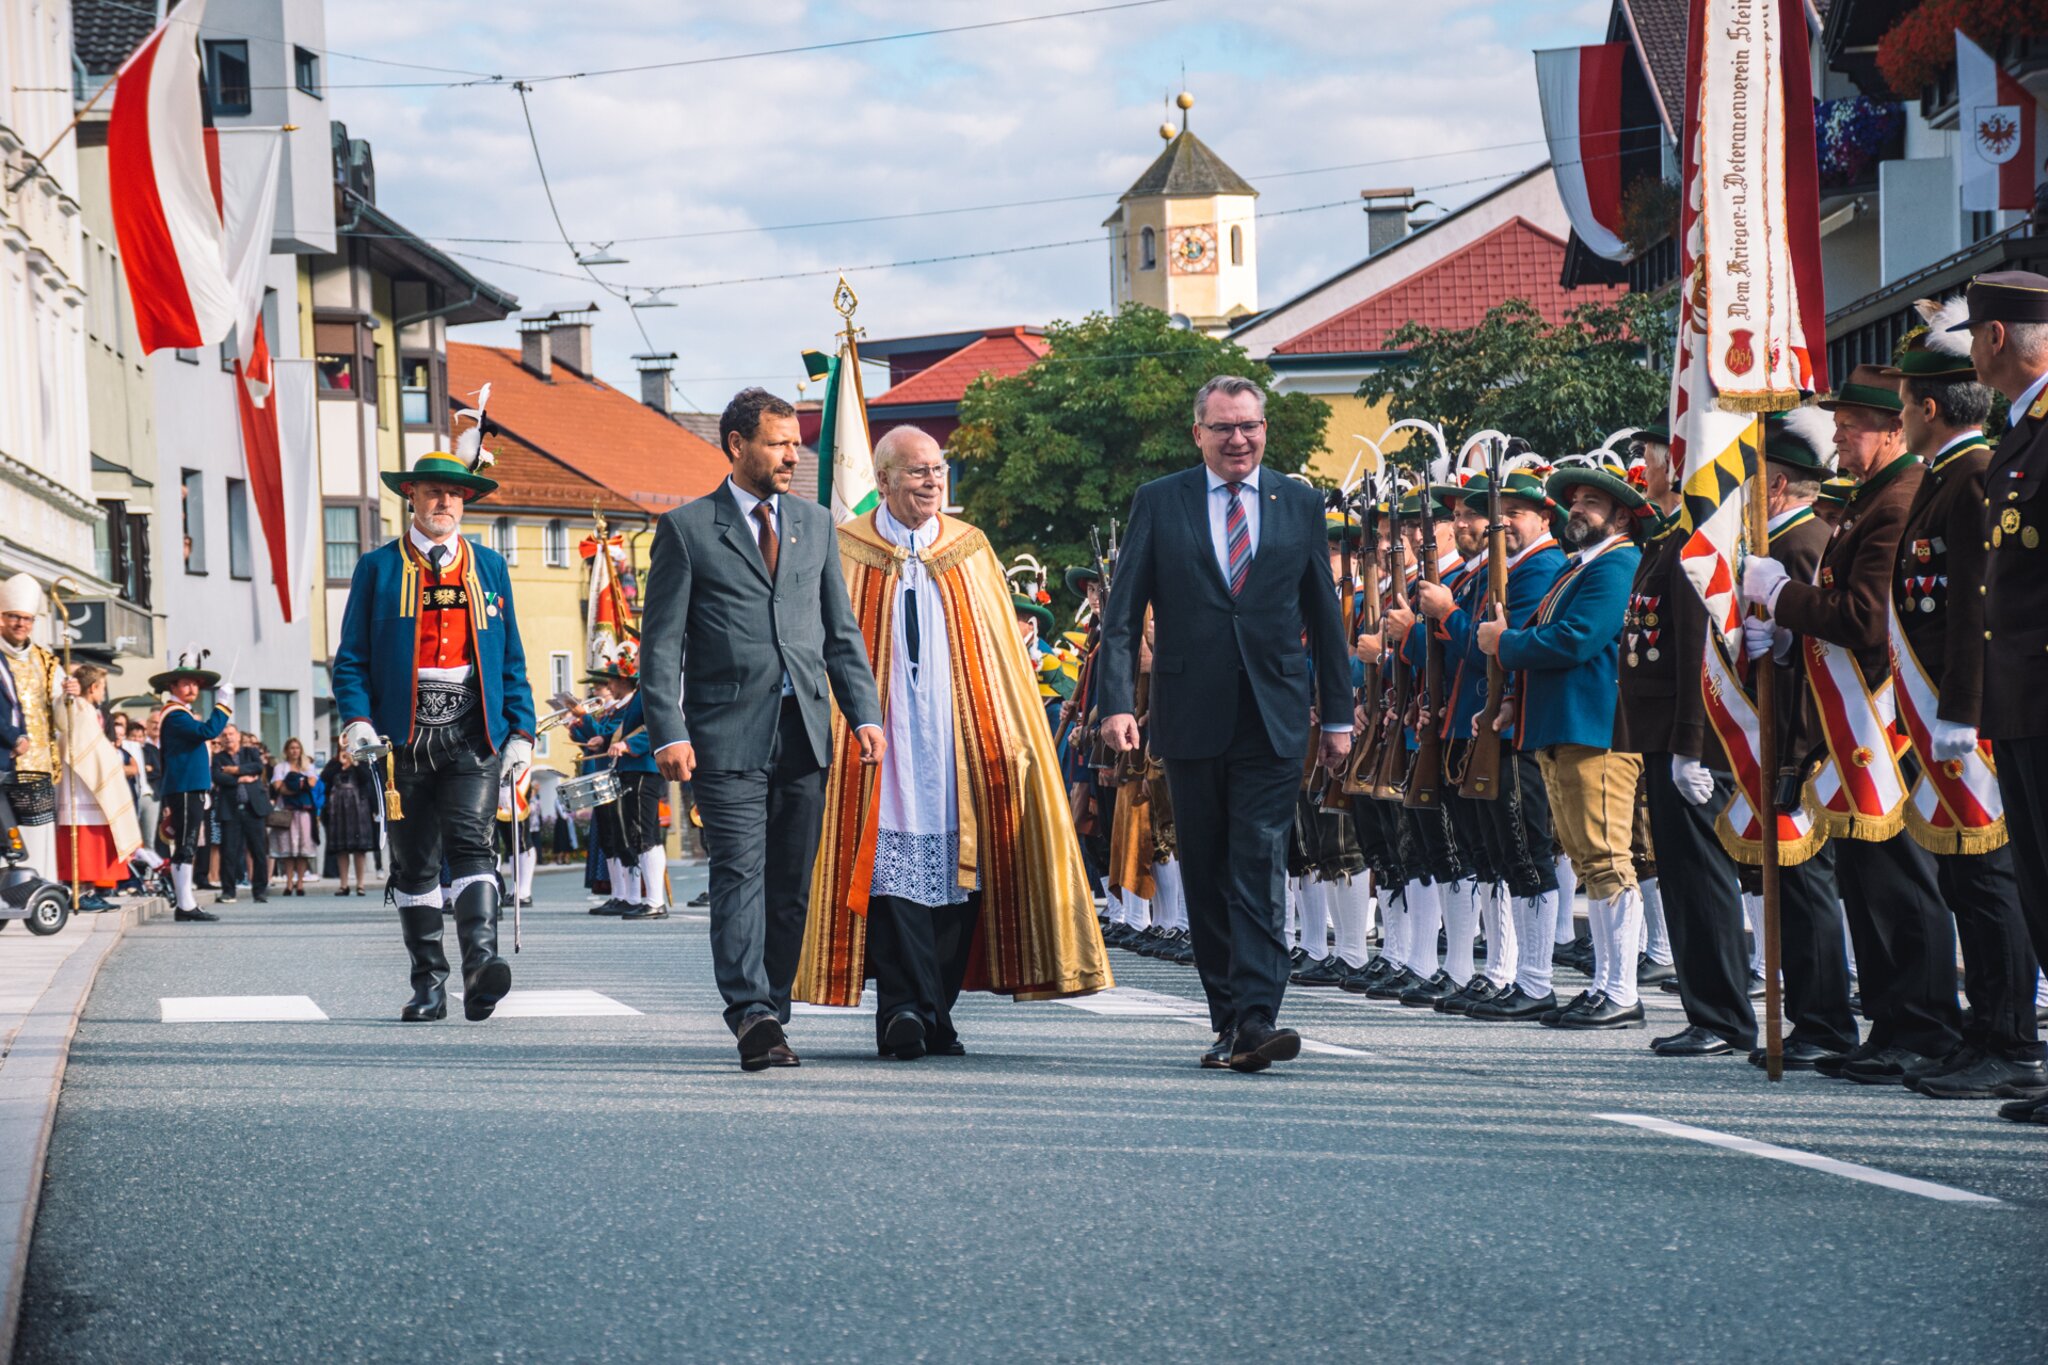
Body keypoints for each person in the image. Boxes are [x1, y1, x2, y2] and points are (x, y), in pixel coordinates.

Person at [795, 427, 1111, 1059]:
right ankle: (906, 1010)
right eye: (917, 472)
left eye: (938, 470)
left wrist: (1011, 738)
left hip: (956, 738)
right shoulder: (845, 547)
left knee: (962, 877)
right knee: (887, 875)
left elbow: (1001, 661)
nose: (933, 481)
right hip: (878, 740)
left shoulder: (970, 549)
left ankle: (932, 1012)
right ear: (881, 481)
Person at [1099, 375, 1352, 1072]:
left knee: (1260, 862)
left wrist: (1338, 716)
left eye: (1250, 425)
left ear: (1265, 429)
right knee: (1207, 870)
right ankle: (1227, 1015)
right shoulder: (1160, 501)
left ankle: (1259, 1016)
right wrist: (1118, 703)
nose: (1239, 438)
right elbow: (1122, 618)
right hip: (1190, 714)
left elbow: (1325, 618)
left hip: (1273, 716)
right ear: (1198, 434)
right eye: (1224, 427)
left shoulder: (1299, 502)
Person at [639, 387, 884, 1072]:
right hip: (723, 735)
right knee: (740, 874)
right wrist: (669, 730)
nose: (793, 453)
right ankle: (750, 1012)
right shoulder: (688, 530)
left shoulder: (812, 524)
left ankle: (772, 1007)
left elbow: (840, 634)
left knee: (790, 885)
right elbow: (660, 647)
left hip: (805, 730)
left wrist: (864, 712)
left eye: (796, 441)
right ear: (737, 445)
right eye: (779, 442)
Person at [1744, 365, 1961, 1084]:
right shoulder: (1875, 495)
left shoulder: (1896, 501)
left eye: (1852, 424)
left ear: (1893, 430)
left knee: (1901, 882)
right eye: (1838, 423)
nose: (1838, 434)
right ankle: (1891, 1022)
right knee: (1870, 884)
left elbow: (1865, 619)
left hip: (1883, 719)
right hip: (1851, 721)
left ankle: (1924, 1023)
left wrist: (1784, 598)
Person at [332, 441, 536, 1025]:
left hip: (473, 733)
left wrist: (519, 730)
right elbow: (351, 660)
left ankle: (480, 969)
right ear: (411, 498)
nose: (443, 500)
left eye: (453, 493)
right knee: (415, 863)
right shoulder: (378, 567)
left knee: (474, 844)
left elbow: (510, 660)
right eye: (432, 491)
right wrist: (358, 719)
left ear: (465, 502)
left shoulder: (490, 567)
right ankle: (429, 983)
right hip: (401, 738)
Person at [1479, 457, 1643, 1028]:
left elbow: (1576, 639)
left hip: (1594, 727)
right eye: (1573, 501)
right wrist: (1513, 694)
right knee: (1587, 857)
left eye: (1590, 503)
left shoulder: (1617, 564)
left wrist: (1507, 644)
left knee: (1605, 860)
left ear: (1620, 516)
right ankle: (1605, 982)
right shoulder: (1579, 566)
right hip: (1560, 724)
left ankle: (1620, 989)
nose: (1577, 509)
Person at [1608, 422, 1756, 1058]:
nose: (1648, 462)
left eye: (1658, 451)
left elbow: (1702, 649)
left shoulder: (1697, 539)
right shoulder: (1666, 539)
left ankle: (1725, 1016)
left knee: (1702, 878)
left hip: (1688, 737)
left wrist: (1692, 744)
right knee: (1683, 877)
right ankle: (1707, 1010)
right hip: (1664, 735)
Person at [1948, 271, 2048, 1123]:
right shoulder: (2019, 432)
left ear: (1995, 339)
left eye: (1977, 334)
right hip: (2020, 700)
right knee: (2041, 890)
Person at [54, 664, 148, 911]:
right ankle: (81, 893)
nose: (104, 692)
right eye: (103, 687)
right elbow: (63, 720)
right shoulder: (77, 707)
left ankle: (90, 890)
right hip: (82, 789)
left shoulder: (93, 710)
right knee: (83, 843)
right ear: (94, 687)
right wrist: (67, 696)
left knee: (95, 844)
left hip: (93, 787)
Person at [152, 650, 233, 921]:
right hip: (185, 786)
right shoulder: (175, 715)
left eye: (195, 684)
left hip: (191, 786)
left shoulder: (181, 713)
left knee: (188, 843)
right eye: (186, 683)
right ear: (172, 687)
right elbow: (207, 732)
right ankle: (184, 904)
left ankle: (186, 902)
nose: (192, 688)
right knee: (186, 844)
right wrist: (223, 706)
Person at [0, 574, 65, 879]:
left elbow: (62, 712)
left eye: (26, 618)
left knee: (38, 834)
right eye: (14, 617)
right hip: (6, 760)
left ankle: (39, 889)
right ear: (2, 618)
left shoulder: (47, 661)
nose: (20, 624)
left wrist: (71, 698)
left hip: (38, 762)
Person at [210, 725, 270, 905]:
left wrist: (234, 770)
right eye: (225, 735)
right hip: (231, 810)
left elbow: (257, 767)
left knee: (258, 851)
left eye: (231, 734)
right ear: (220, 739)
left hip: (253, 809)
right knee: (228, 852)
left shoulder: (250, 752)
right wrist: (240, 778)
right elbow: (217, 777)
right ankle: (228, 891)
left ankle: (259, 891)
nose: (228, 738)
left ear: (238, 736)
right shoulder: (218, 757)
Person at [319, 744, 378, 895]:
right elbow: (324, 777)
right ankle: (343, 884)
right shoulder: (334, 763)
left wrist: (355, 763)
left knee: (360, 848)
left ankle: (360, 884)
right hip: (338, 809)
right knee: (341, 848)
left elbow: (367, 779)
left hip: (359, 807)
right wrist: (339, 763)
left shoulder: (362, 763)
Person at [270, 738, 318, 896]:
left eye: (297, 747)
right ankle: (289, 883)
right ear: (286, 750)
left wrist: (292, 786)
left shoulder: (307, 766)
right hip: (286, 811)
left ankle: (300, 883)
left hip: (303, 812)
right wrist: (298, 787)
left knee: (303, 847)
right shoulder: (280, 767)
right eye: (291, 748)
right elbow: (279, 787)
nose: (294, 751)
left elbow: (312, 783)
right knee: (288, 848)